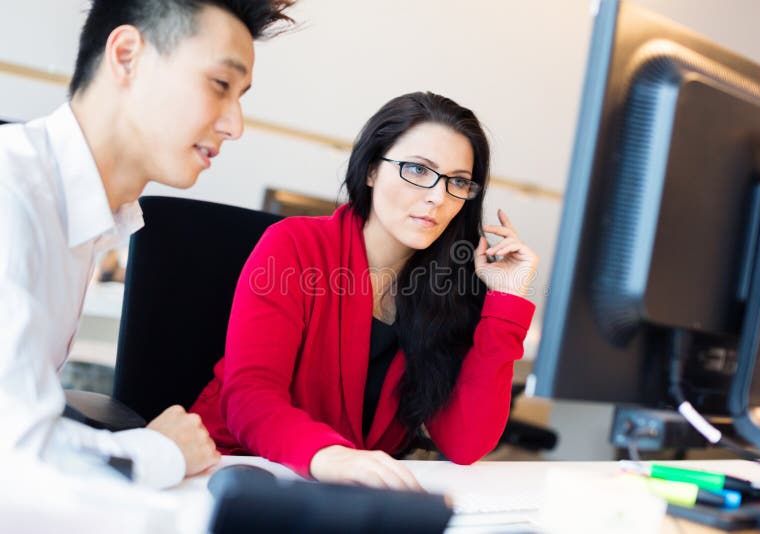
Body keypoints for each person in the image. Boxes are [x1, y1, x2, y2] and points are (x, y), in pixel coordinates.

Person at [0, 0, 295, 489]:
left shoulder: (82, 218)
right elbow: (17, 458)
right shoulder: (12, 195)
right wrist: (160, 451)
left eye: (239, 95)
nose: (235, 125)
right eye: (220, 85)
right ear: (127, 56)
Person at [191, 91, 539, 490]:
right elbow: (250, 397)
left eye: (458, 182)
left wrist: (506, 302)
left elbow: (465, 442)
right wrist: (331, 456)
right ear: (372, 169)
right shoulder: (293, 245)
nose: (437, 197)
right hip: (235, 475)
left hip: (338, 498)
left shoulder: (446, 292)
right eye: (418, 170)